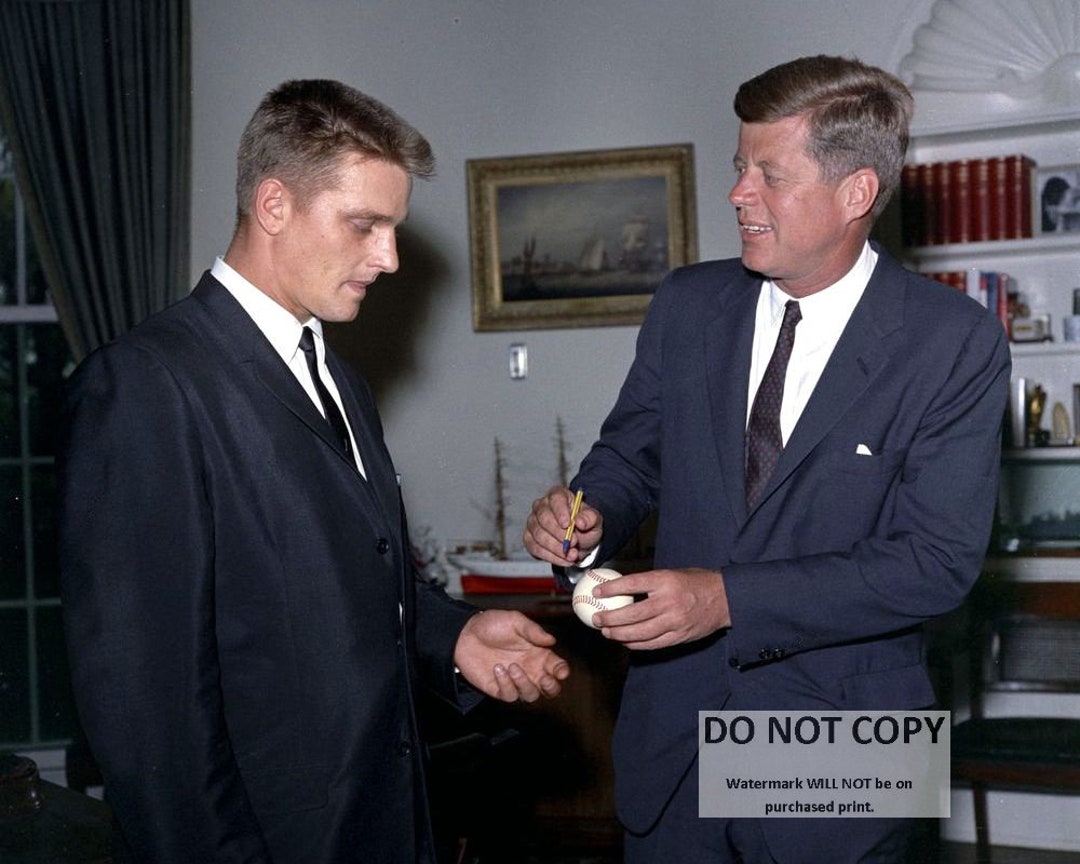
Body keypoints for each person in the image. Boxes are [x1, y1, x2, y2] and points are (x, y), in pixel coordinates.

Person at [58, 78, 569, 864]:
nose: (389, 257)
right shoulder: (147, 386)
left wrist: (452, 636)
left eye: (393, 229)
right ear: (273, 206)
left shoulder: (337, 376)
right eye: (365, 225)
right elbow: (146, 713)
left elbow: (334, 587)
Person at [525, 55, 1010, 863]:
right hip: (673, 734)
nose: (738, 194)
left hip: (843, 740)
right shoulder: (686, 304)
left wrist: (727, 600)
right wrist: (589, 514)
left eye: (768, 174)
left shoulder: (952, 341)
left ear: (856, 193)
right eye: (738, 167)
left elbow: (935, 563)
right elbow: (629, 454)